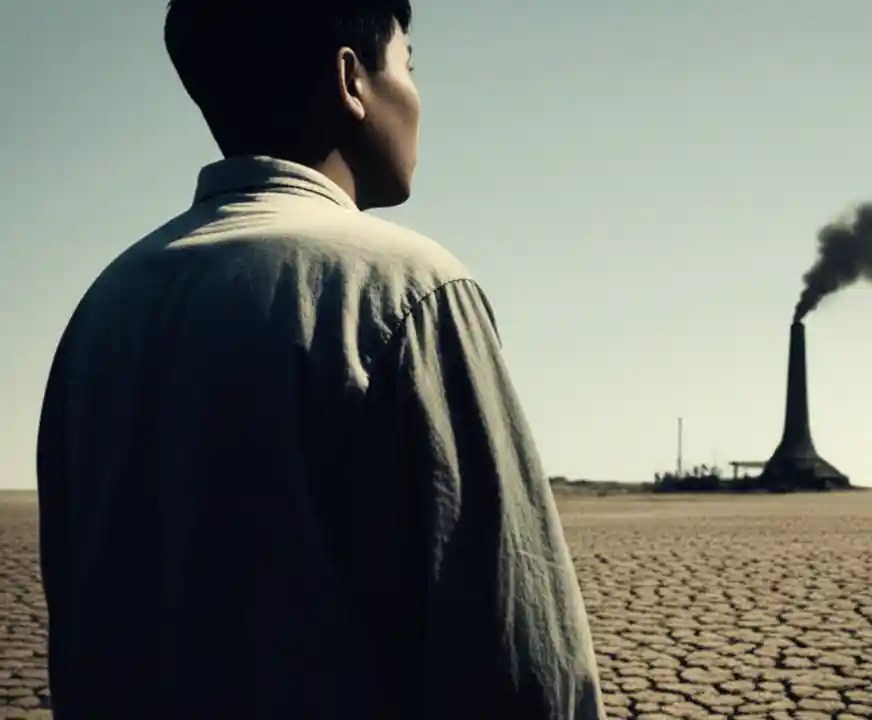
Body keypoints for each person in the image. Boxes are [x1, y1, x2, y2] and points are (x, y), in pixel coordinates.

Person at [34, 1, 606, 717]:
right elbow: (519, 646)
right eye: (407, 65)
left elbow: (77, 621)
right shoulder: (411, 288)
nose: (417, 97)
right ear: (350, 80)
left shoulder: (106, 305)